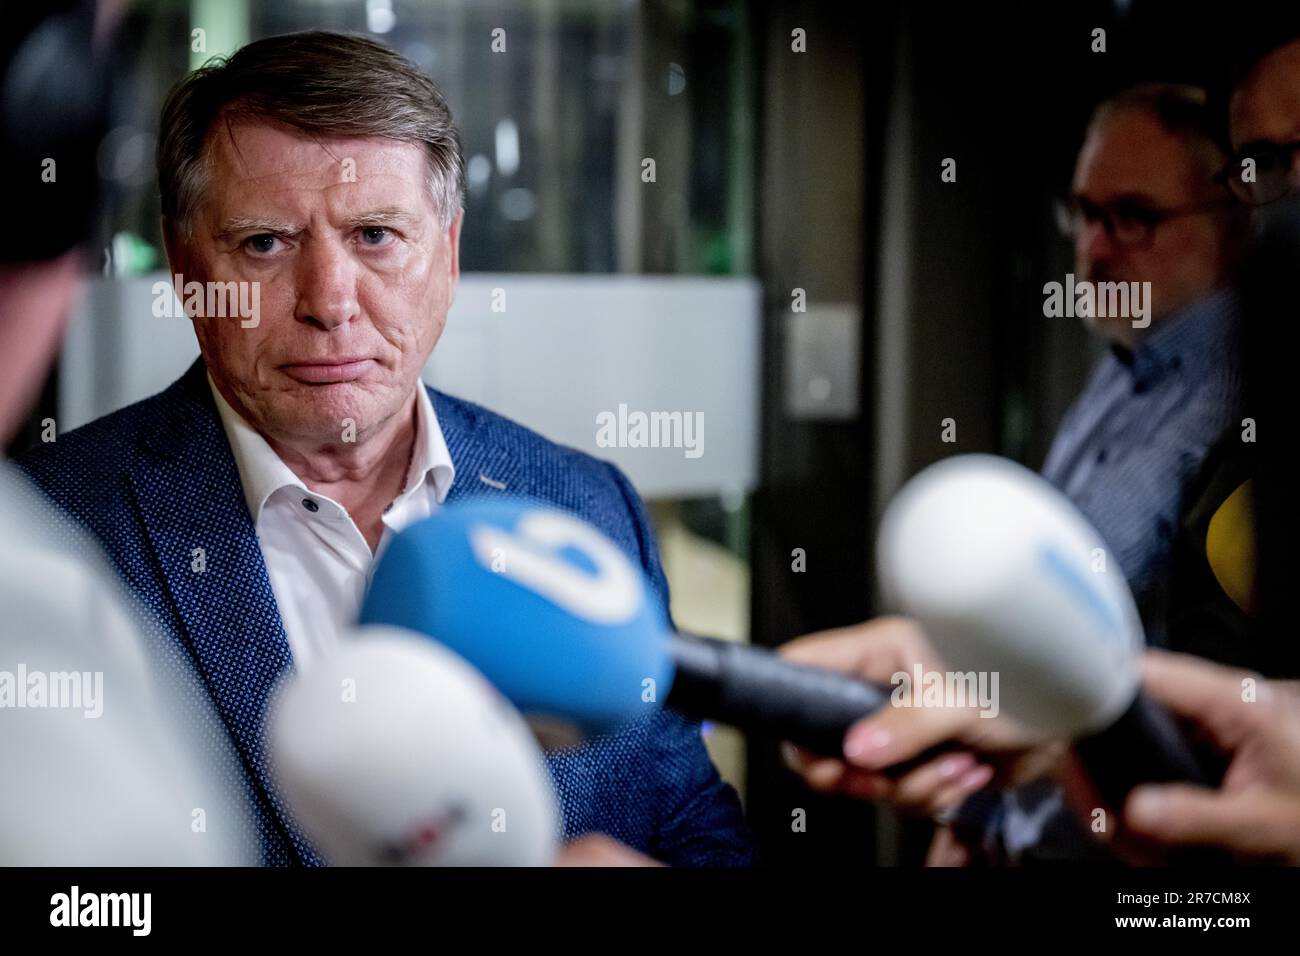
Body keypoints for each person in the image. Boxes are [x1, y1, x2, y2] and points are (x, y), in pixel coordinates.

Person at [17, 31, 753, 866]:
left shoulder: (584, 504)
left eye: (375, 236)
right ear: (187, 269)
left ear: (448, 253)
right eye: (264, 243)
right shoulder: (47, 536)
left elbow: (693, 823)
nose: (331, 302)